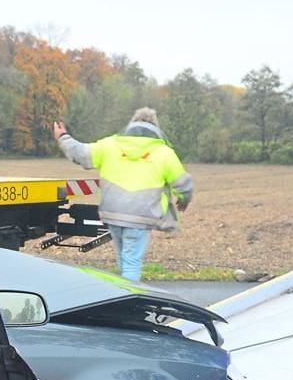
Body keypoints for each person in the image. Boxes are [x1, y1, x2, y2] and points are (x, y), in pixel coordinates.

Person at [53, 108, 192, 282]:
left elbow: (80, 153)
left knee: (124, 261)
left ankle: (122, 293)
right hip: (140, 217)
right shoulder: (163, 153)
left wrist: (62, 136)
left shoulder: (109, 145)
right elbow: (183, 183)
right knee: (132, 262)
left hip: (113, 214)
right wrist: (184, 199)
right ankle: (129, 300)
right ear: (155, 127)